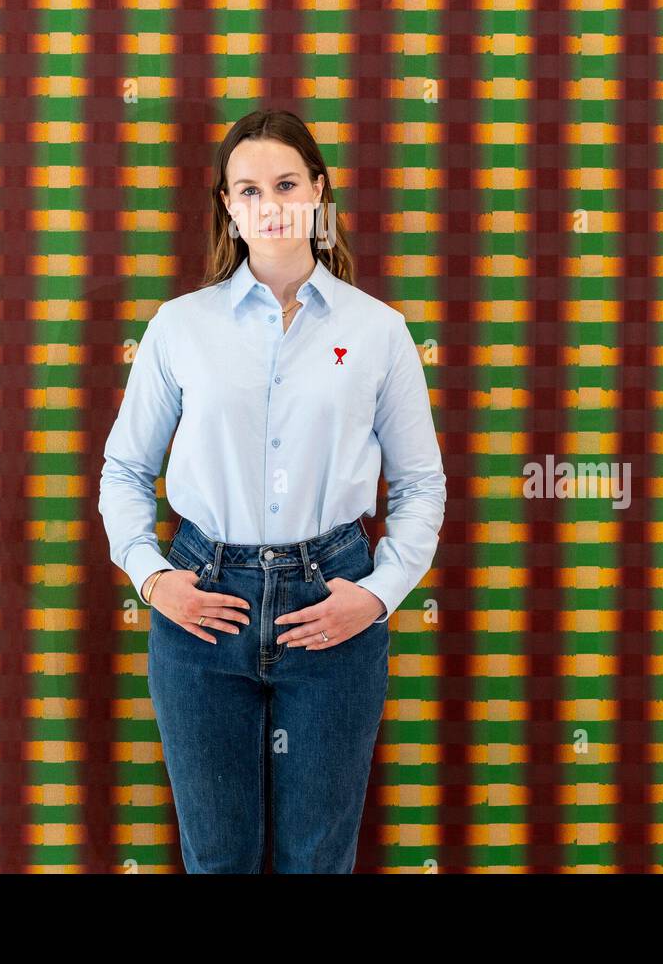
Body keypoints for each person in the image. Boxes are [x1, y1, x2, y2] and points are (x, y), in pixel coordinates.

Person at [98, 108, 447, 873]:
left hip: (334, 605)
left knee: (316, 859)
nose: (270, 204)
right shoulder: (181, 327)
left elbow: (420, 483)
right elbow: (124, 469)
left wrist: (380, 592)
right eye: (248, 189)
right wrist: (154, 579)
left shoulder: (379, 331)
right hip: (203, 604)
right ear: (229, 205)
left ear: (319, 192)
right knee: (217, 859)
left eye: (287, 183)